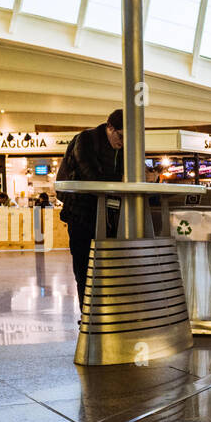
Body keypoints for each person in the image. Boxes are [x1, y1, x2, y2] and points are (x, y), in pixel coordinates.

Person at [56, 109, 124, 297]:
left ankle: (105, 312)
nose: (122, 142)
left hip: (108, 215)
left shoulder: (122, 148)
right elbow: (90, 176)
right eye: (120, 136)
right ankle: (88, 315)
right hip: (80, 214)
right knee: (84, 267)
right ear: (109, 127)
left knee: (107, 267)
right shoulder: (86, 139)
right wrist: (122, 179)